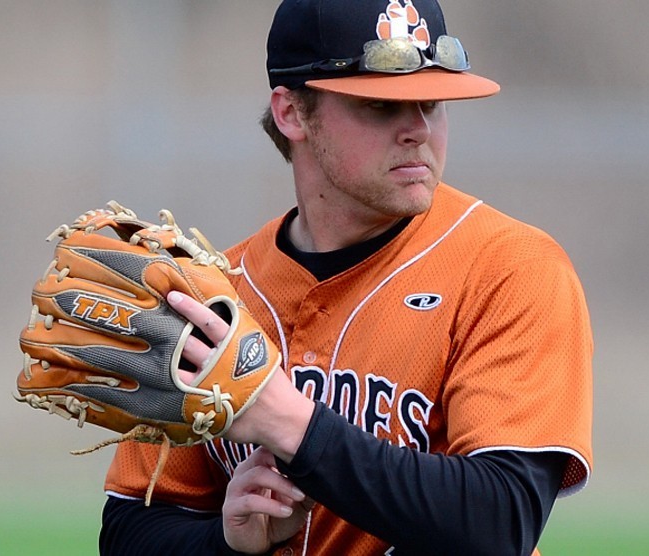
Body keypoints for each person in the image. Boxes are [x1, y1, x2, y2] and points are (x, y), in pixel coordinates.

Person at [98, 1, 593, 554]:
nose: (419, 130)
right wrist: (228, 543)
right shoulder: (214, 296)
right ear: (292, 113)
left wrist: (290, 424)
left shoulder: (509, 269)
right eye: (382, 105)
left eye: (432, 103)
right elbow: (130, 531)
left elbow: (501, 524)